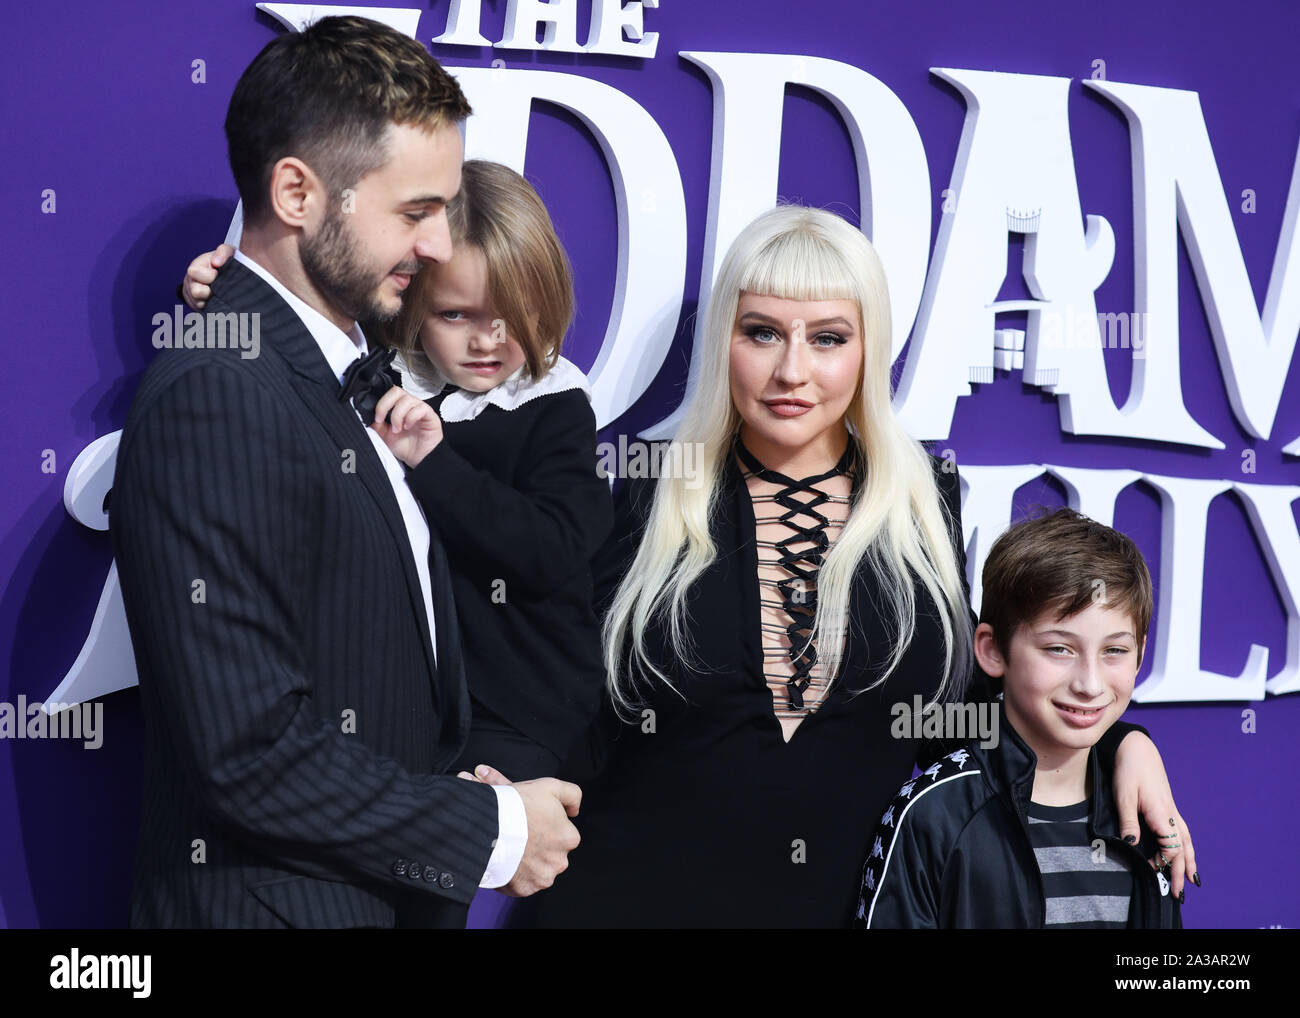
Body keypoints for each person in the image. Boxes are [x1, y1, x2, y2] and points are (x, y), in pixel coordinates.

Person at [504, 204, 1197, 928]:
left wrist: (1121, 742)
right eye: (762, 332)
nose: (791, 371)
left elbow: (961, 708)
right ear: (724, 341)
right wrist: (500, 796)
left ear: (868, 351)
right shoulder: (652, 486)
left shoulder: (923, 498)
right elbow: (576, 699)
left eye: (828, 338)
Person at [110, 15, 579, 929]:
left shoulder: (331, 381)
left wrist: (453, 778)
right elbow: (245, 749)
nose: (441, 246)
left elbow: (350, 674)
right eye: (416, 212)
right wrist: (490, 828)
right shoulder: (219, 393)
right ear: (297, 192)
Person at [184, 161, 614, 783]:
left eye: (510, 315)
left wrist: (435, 465)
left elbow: (553, 549)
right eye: (456, 315)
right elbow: (288, 356)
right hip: (391, 695)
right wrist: (220, 297)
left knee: (478, 855)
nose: (487, 340)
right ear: (412, 301)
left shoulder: (552, 405)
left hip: (518, 709)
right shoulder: (379, 370)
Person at [856, 508, 1182, 928]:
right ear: (992, 650)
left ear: (1139, 655)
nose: (1090, 683)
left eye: (1114, 651)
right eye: (1058, 649)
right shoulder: (931, 815)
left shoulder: (1143, 813)